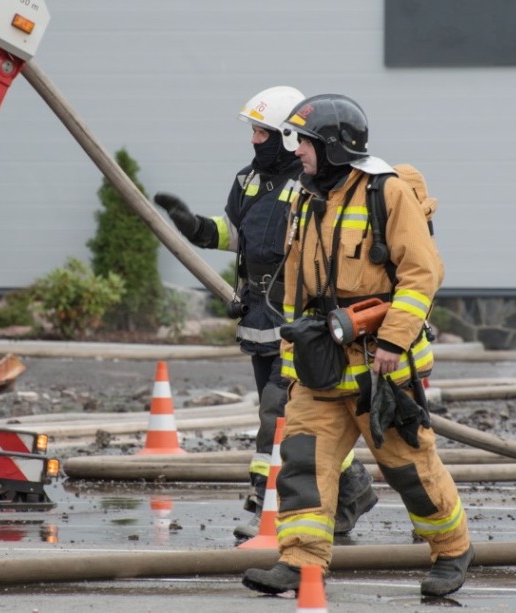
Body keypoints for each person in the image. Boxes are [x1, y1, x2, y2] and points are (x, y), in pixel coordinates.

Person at [241, 94, 474, 598]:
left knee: (408, 468)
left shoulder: (385, 193)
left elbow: (422, 273)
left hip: (379, 369)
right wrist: (291, 361)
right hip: (320, 367)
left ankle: (452, 550)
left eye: (305, 141)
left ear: (333, 146)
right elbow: (298, 288)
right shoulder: (307, 196)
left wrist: (392, 338)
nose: (297, 150)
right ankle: (301, 562)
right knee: (303, 463)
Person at [152, 86, 377, 541]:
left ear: (288, 138)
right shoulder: (247, 180)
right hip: (258, 317)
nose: (254, 140)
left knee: (278, 411)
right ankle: (352, 488)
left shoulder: (315, 184)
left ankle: (264, 500)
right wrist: (194, 227)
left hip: (299, 319)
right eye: (253, 131)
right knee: (291, 413)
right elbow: (235, 235)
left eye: (261, 132)